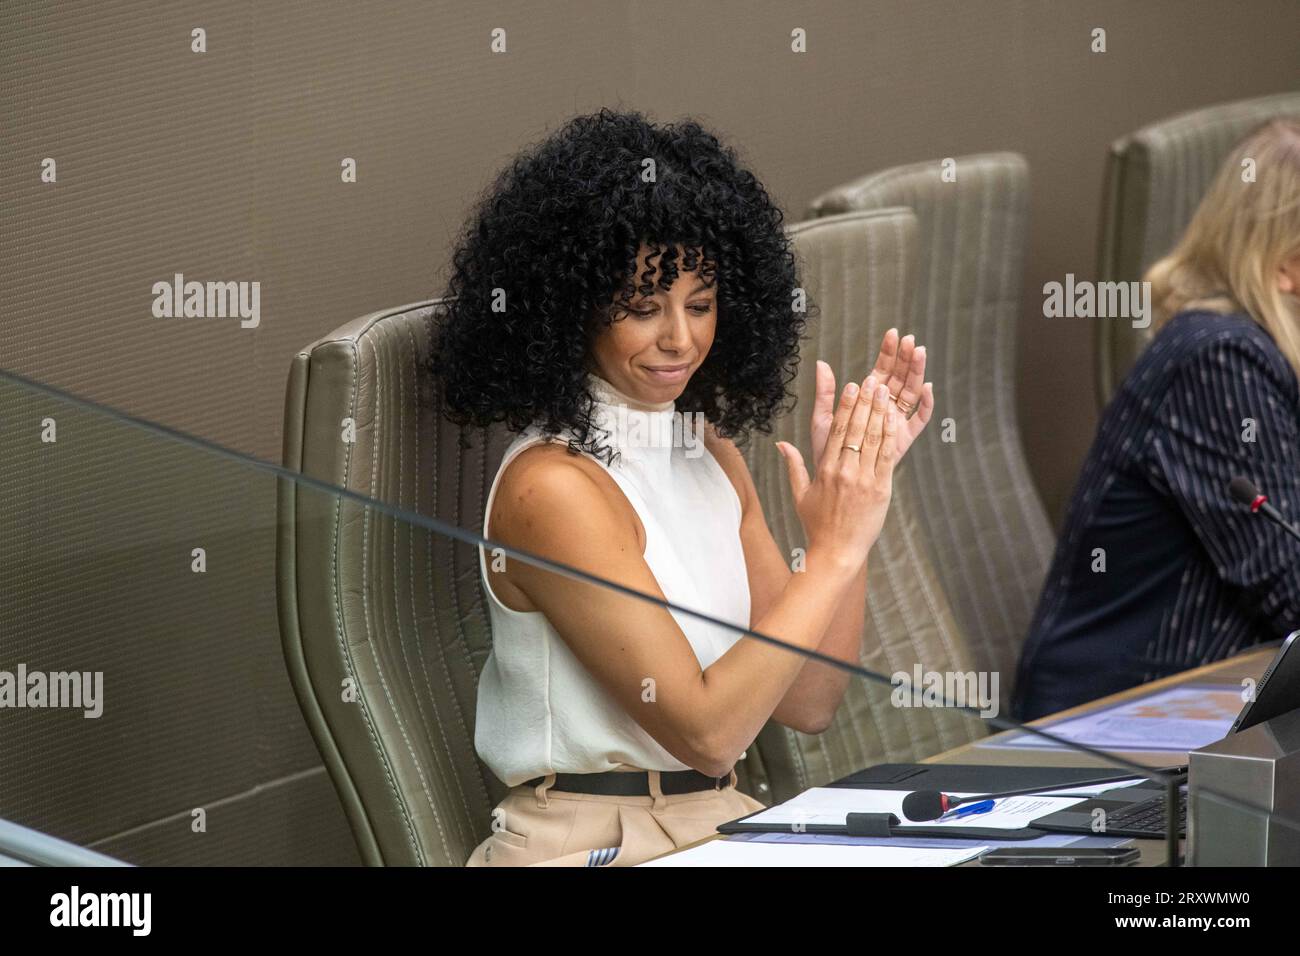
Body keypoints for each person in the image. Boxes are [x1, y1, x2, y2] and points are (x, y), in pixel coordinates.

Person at [430, 108, 935, 865]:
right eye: (643, 307)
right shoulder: (552, 489)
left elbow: (811, 701)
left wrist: (849, 513)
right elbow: (707, 731)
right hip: (591, 845)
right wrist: (828, 553)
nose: (681, 338)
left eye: (700, 304)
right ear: (571, 311)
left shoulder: (707, 452)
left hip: (716, 825)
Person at [1013, 117, 1300, 722]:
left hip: (1218, 721)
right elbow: (1290, 586)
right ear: (1283, 267)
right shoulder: (1220, 362)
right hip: (1112, 739)